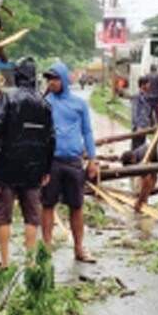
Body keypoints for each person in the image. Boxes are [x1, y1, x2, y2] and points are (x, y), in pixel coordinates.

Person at [0, 57, 54, 269]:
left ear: (17, 76)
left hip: (7, 168)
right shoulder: (44, 104)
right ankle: (29, 263)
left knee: (3, 216)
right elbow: (51, 139)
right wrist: (46, 168)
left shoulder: (8, 100)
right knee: (31, 216)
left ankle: (5, 261)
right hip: (34, 169)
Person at [41, 62, 99, 263]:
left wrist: (92, 159)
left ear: (64, 79)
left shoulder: (79, 104)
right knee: (48, 205)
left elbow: (87, 132)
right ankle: (46, 248)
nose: (52, 82)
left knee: (76, 206)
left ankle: (79, 248)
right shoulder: (45, 103)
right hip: (51, 162)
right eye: (49, 79)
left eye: (55, 78)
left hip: (74, 161)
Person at [131, 76, 154, 149]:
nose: (149, 85)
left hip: (144, 127)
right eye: (148, 84)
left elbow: (149, 113)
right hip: (138, 127)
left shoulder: (147, 97)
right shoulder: (137, 97)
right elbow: (134, 113)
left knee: (141, 146)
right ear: (143, 85)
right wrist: (138, 127)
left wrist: (150, 124)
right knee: (136, 147)